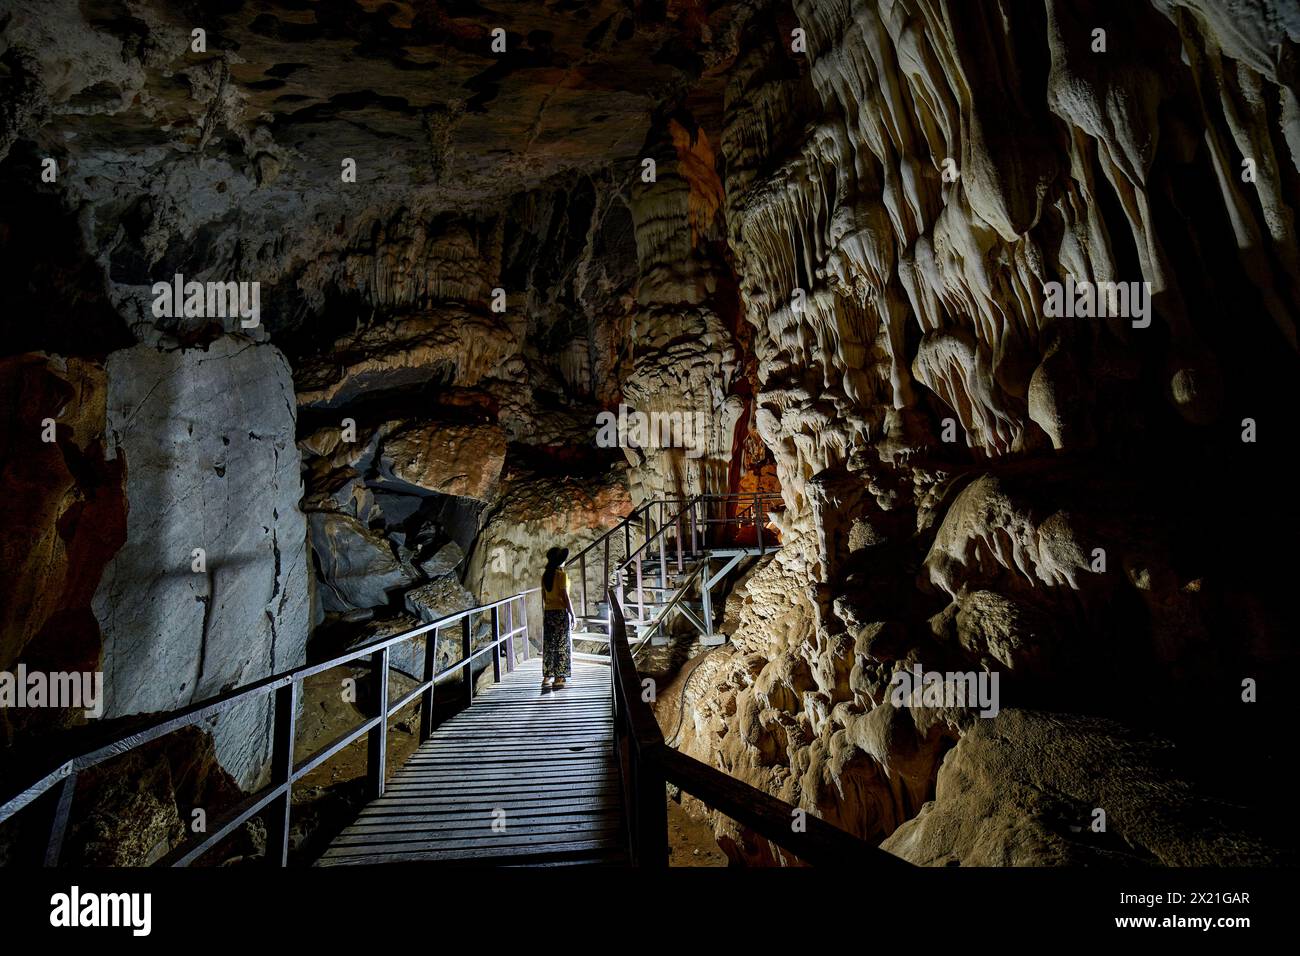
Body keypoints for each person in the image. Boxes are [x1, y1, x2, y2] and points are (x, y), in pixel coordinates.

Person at [540, 546, 575, 688]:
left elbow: (544, 596)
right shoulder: (561, 575)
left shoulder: (545, 576)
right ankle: (559, 677)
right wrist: (573, 614)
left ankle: (547, 676)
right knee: (562, 644)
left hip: (548, 613)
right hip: (560, 613)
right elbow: (565, 597)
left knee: (549, 644)